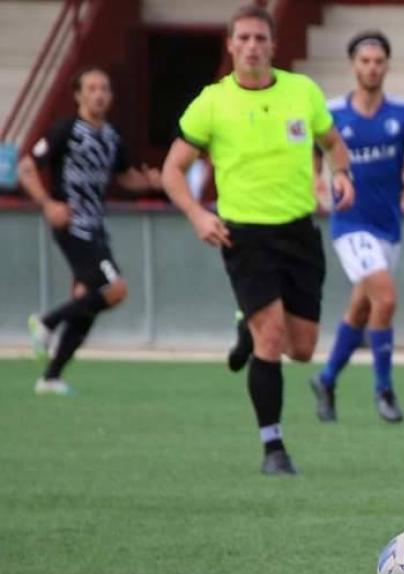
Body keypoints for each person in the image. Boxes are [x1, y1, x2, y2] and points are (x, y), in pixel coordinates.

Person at [162, 4, 355, 475]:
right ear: (230, 44)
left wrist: (343, 175)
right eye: (242, 38)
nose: (251, 46)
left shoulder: (302, 92)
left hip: (298, 232)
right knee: (270, 338)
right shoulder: (211, 102)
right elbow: (172, 170)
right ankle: (273, 448)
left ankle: (242, 321)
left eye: (259, 39)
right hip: (243, 234)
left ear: (272, 45)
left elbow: (332, 143)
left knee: (303, 348)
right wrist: (196, 215)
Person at [309, 31, 404, 425]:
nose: (371, 67)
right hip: (350, 224)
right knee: (385, 299)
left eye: (378, 61)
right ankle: (383, 390)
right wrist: (317, 180)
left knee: (363, 304)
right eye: (364, 61)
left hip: (388, 224)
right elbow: (311, 152)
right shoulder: (331, 112)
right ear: (353, 66)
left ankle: (326, 378)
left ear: (387, 65)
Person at [20, 67, 162, 395]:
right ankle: (46, 322)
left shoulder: (111, 136)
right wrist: (47, 204)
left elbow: (125, 177)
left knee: (88, 302)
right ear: (79, 95)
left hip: (96, 227)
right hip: (73, 225)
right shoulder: (65, 130)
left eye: (104, 89)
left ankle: (51, 377)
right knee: (115, 289)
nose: (98, 94)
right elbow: (27, 167)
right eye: (92, 88)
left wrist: (150, 183)